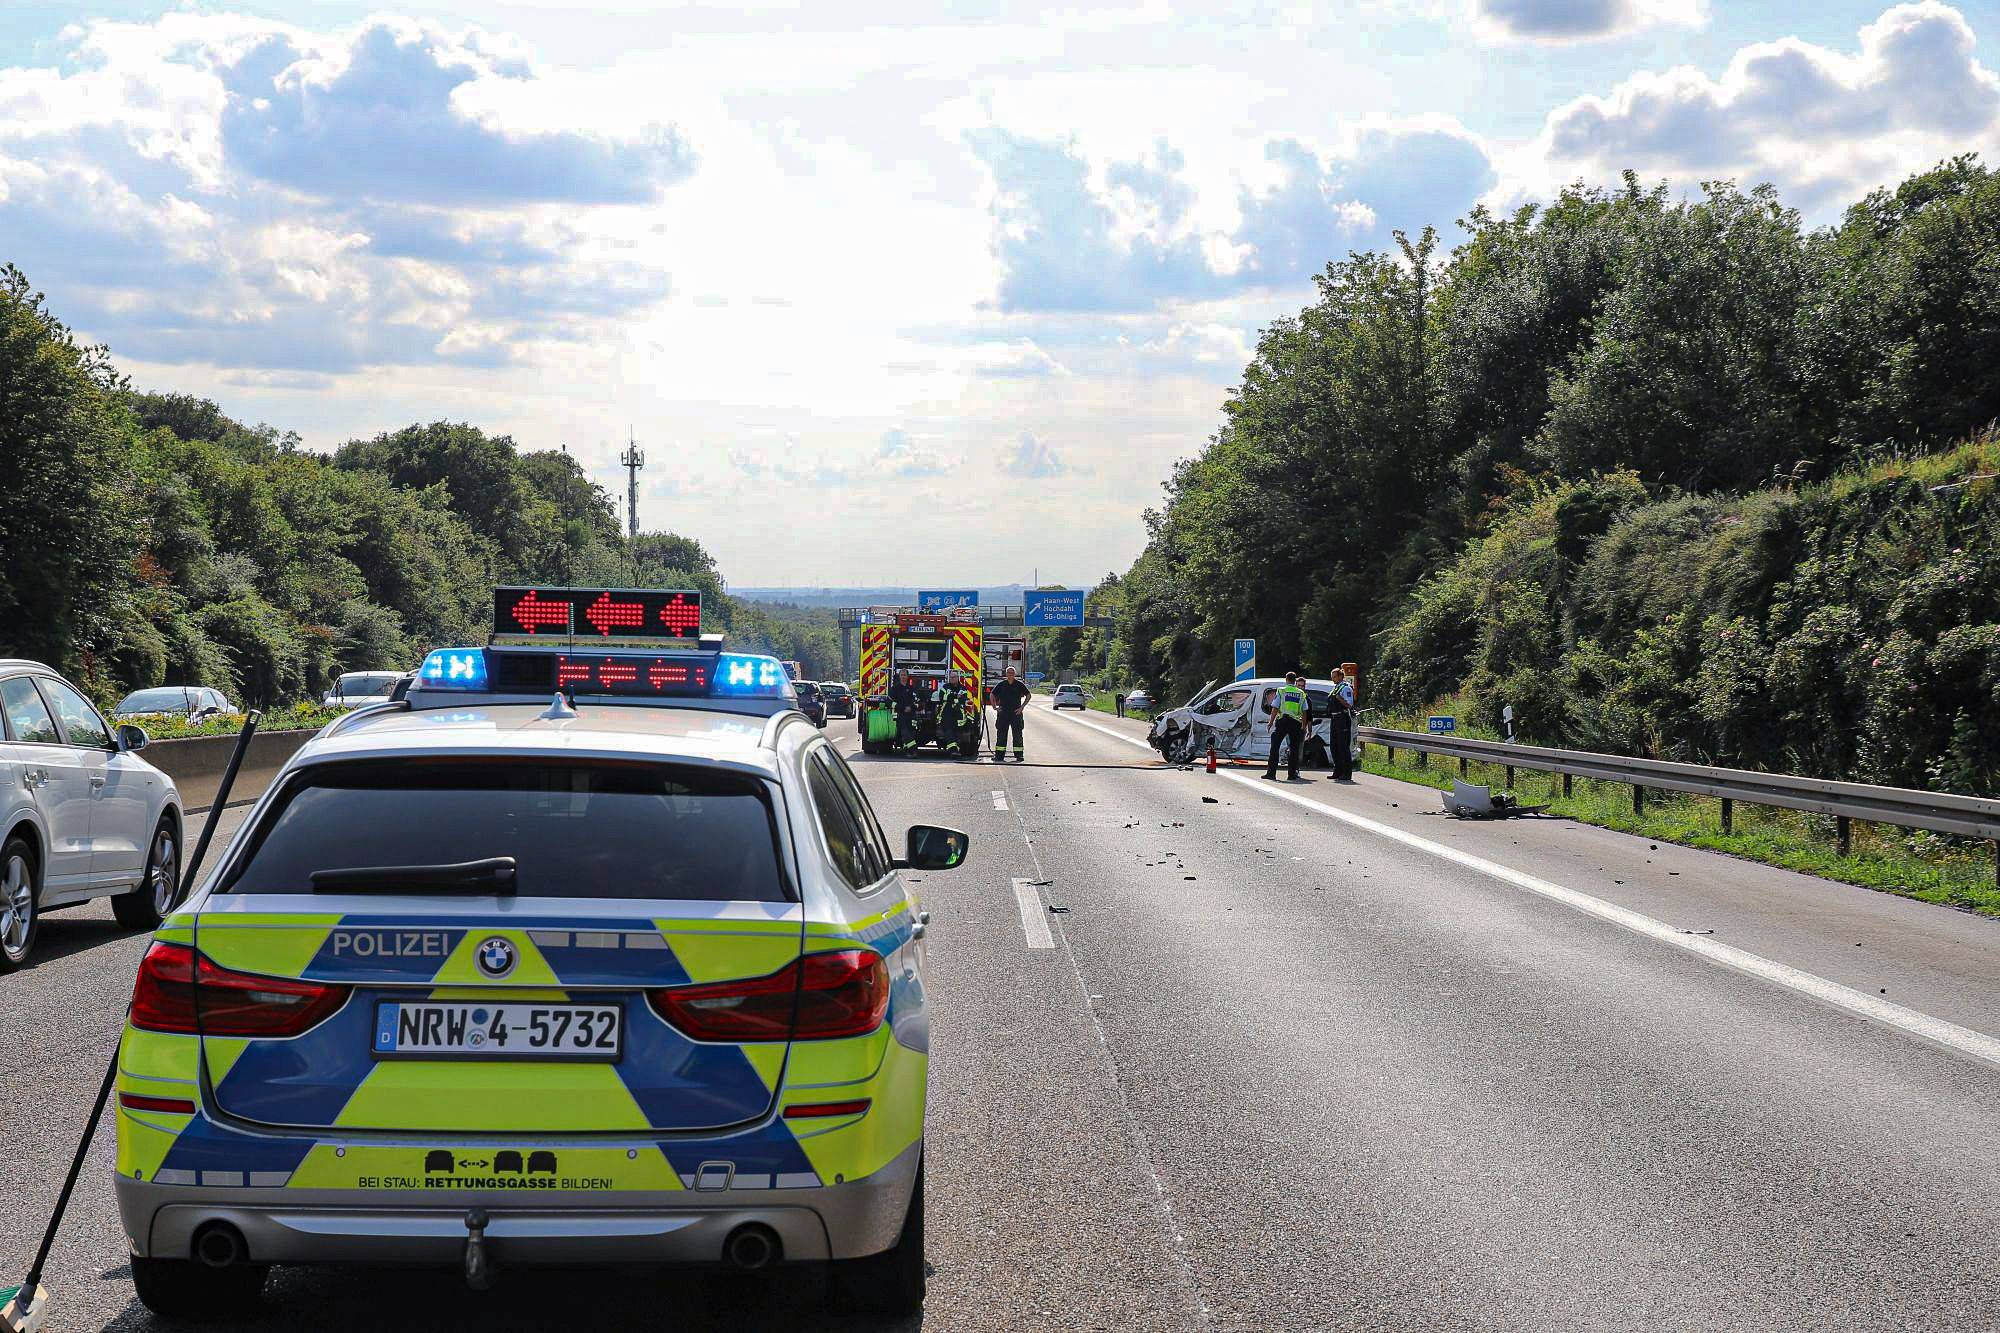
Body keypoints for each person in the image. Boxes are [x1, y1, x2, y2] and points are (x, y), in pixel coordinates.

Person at [1263, 671, 1308, 781]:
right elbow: (1305, 711)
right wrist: (1303, 726)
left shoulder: (1281, 691)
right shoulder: (1301, 693)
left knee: (1275, 747)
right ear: (1295, 680)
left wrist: (1270, 722)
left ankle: (1271, 773)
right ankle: (1292, 775)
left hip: (1283, 721)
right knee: (1294, 749)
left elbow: (1275, 708)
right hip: (1295, 723)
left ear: (1286, 679)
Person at [990, 666, 1029, 762]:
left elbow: (1028, 695)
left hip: (1016, 713)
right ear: (1006, 674)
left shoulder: (1019, 684)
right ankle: (999, 756)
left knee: (1017, 735)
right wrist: (995, 707)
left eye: (1012, 673)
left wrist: (1022, 707)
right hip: (1003, 713)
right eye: (1009, 672)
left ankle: (1019, 755)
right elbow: (992, 694)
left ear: (1014, 674)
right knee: (1001, 735)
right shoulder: (1002, 684)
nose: (1010, 674)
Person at [1324, 669, 1355, 782]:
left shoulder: (1346, 688)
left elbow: (1349, 704)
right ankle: (1337, 771)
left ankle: (1347, 773)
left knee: (1343, 747)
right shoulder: (1335, 688)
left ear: (1341, 676)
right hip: (1334, 718)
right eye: (1332, 676)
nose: (1332, 678)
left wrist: (1339, 699)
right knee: (1334, 746)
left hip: (1342, 718)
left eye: (1334, 676)